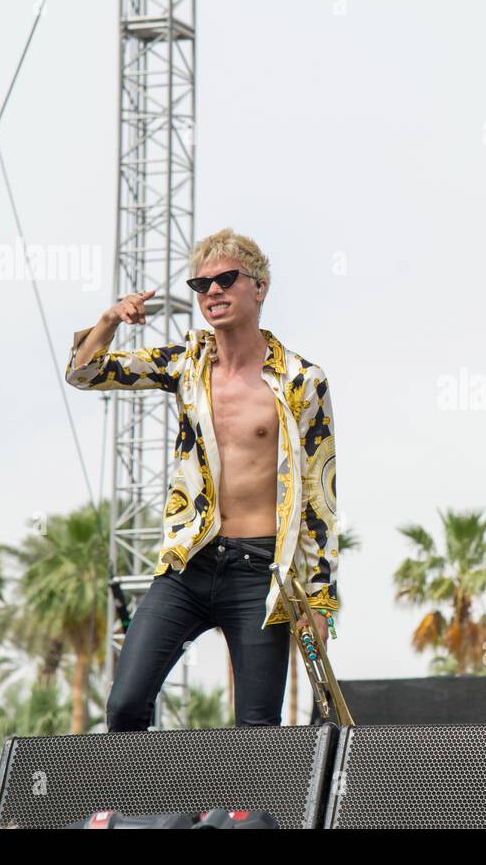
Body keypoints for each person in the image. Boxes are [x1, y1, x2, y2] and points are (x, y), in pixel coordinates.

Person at [66, 227, 338, 730]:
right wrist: (109, 319)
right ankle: (143, 810)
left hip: (259, 569)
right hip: (188, 562)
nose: (212, 292)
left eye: (226, 279)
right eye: (201, 284)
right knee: (125, 705)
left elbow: (321, 496)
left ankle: (243, 813)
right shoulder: (186, 363)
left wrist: (320, 602)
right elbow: (84, 373)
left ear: (259, 287)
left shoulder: (303, 379)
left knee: (257, 729)